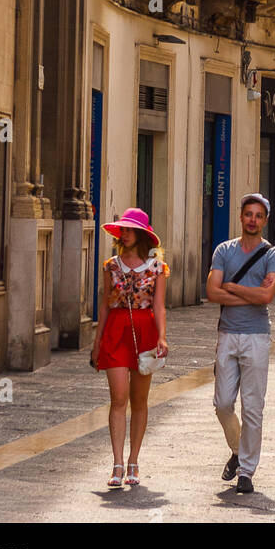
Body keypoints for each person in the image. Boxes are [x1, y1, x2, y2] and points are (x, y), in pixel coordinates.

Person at [206, 193, 275, 494]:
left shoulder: (272, 255)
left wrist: (233, 286)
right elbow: (212, 293)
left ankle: (247, 471)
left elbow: (266, 298)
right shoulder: (224, 250)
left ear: (265, 220)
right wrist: (248, 293)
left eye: (258, 215)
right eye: (248, 214)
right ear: (240, 217)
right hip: (227, 334)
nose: (252, 219)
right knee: (223, 403)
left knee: (253, 407)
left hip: (257, 336)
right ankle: (238, 451)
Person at [91, 208, 169, 489]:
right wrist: (97, 341)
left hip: (145, 330)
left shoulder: (158, 267)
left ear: (141, 235)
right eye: (122, 229)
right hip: (115, 329)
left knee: (139, 400)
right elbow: (104, 304)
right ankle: (117, 462)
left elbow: (159, 305)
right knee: (118, 398)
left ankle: (134, 460)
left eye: (129, 229)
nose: (123, 233)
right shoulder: (110, 265)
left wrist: (162, 337)